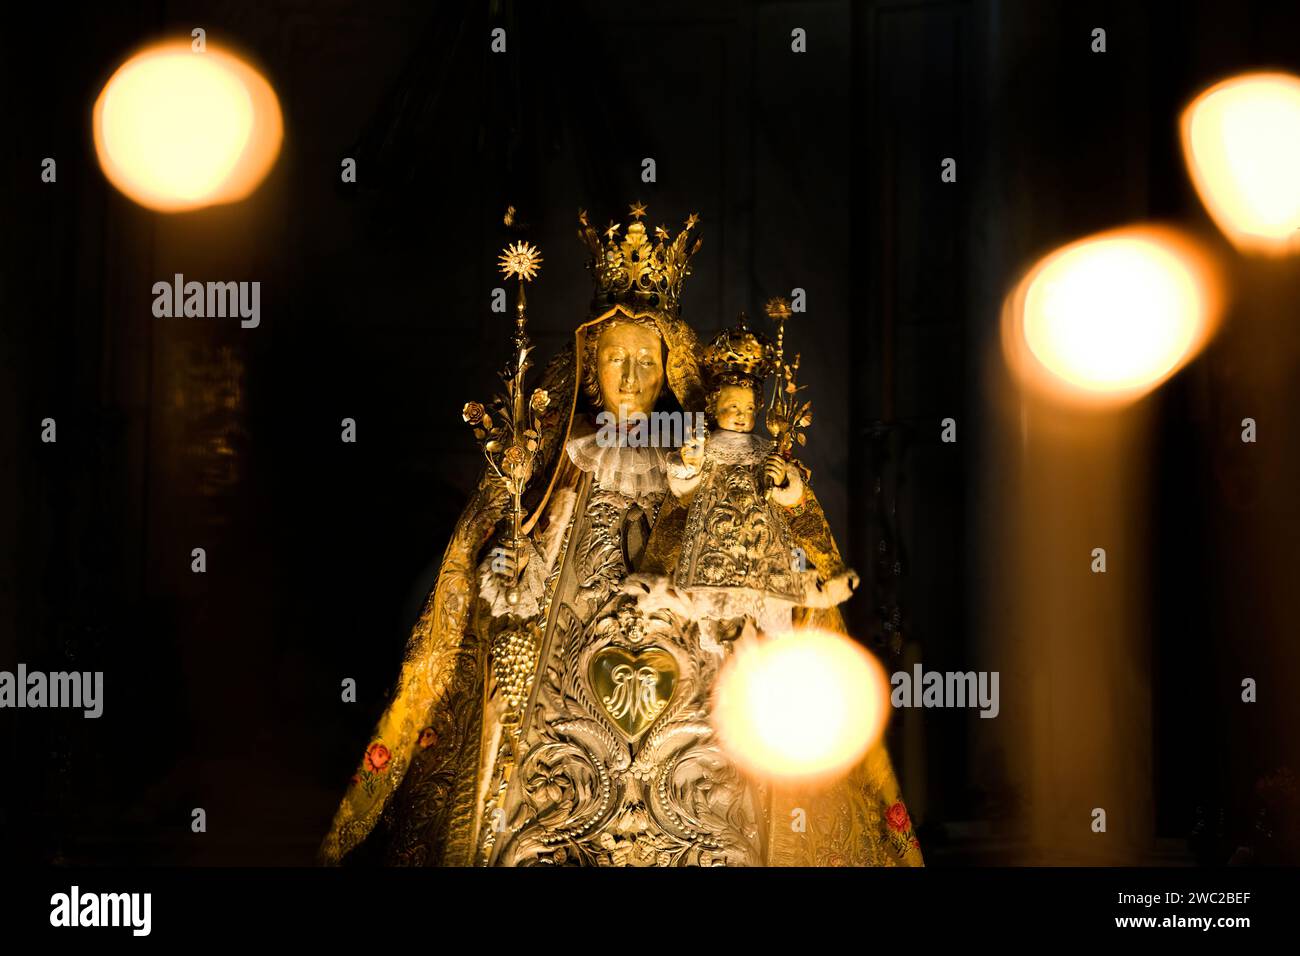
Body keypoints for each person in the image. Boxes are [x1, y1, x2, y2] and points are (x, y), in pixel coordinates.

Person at [317, 204, 922, 866]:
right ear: (587, 364)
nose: (631, 379)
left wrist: (781, 520)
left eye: (645, 360)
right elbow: (517, 556)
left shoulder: (697, 453)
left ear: (671, 368)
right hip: (566, 676)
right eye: (614, 360)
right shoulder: (565, 459)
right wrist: (513, 562)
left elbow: (752, 540)